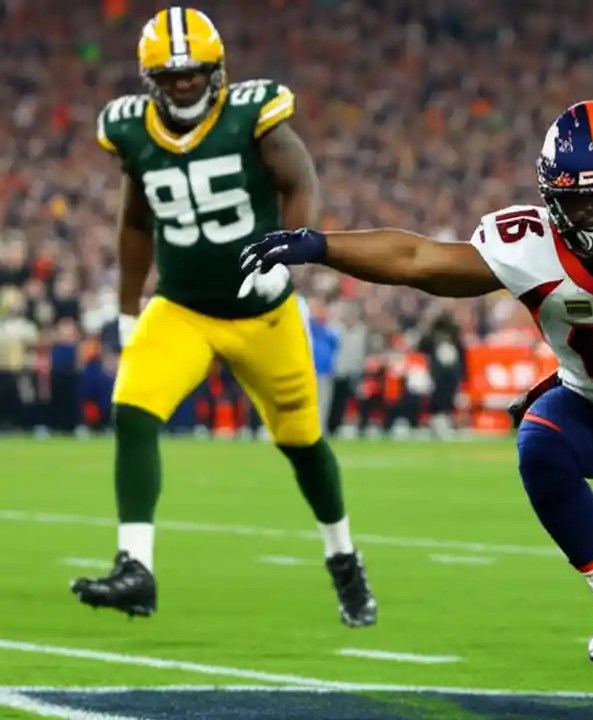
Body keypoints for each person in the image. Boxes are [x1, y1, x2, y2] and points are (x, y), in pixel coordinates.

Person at [240, 100, 593, 716]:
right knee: (540, 441)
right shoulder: (528, 244)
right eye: (584, 202)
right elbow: (419, 260)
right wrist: (319, 245)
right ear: (550, 198)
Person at [71, 7, 375, 628]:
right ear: (150, 77)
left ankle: (343, 557)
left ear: (218, 71)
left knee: (302, 443)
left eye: (195, 73)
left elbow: (300, 177)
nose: (185, 84)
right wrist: (128, 310)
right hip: (181, 307)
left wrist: (288, 252)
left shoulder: (251, 113)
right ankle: (136, 567)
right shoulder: (129, 129)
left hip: (263, 313)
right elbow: (134, 223)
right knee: (132, 410)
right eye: (172, 74)